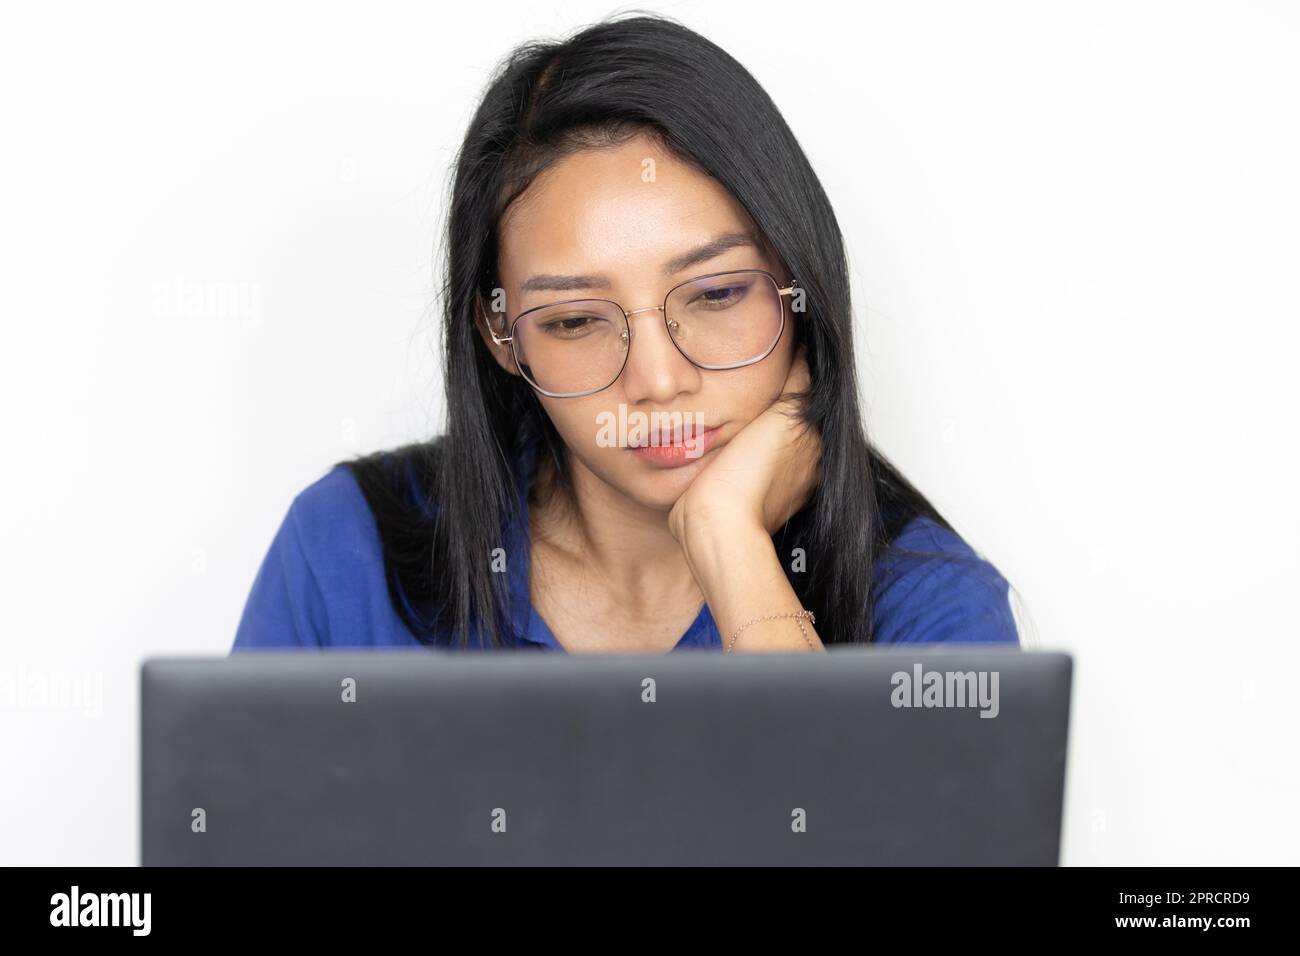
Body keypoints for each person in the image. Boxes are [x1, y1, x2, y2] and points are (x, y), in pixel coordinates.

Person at [232, 14, 1020, 655]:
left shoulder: (933, 614)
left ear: (801, 289)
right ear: (503, 335)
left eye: (715, 294)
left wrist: (730, 545)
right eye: (575, 320)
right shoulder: (343, 553)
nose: (657, 380)